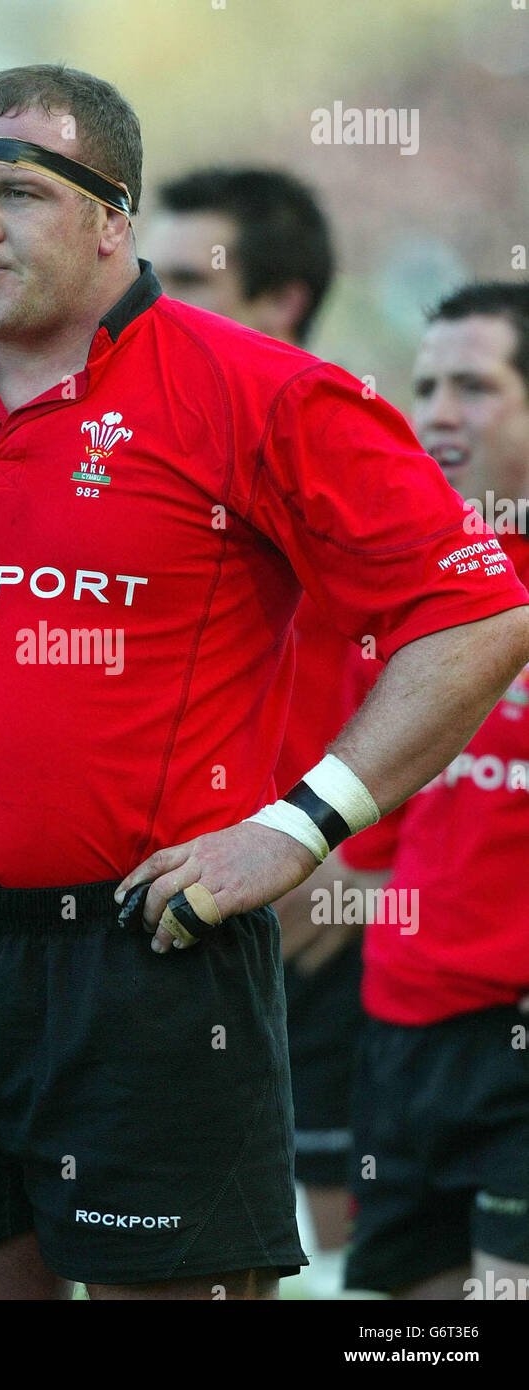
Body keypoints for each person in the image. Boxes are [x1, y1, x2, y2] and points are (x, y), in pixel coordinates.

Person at [0, 65, 529, 1301]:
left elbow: (476, 608)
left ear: (115, 218)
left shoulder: (261, 393)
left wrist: (300, 826)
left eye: (17, 189)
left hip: (154, 953)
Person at [149, 167, 396, 1288]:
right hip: (187, 899)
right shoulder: (152, 442)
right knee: (191, 1243)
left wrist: (360, 867)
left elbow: (468, 655)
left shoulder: (345, 444)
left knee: (362, 1250)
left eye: (193, 275)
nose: (157, 300)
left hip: (336, 916)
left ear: (285, 297)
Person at [345, 282, 529, 1300]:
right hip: (404, 1034)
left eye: (476, 385)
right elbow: (368, 844)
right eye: (426, 387)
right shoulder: (408, 589)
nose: (439, 413)